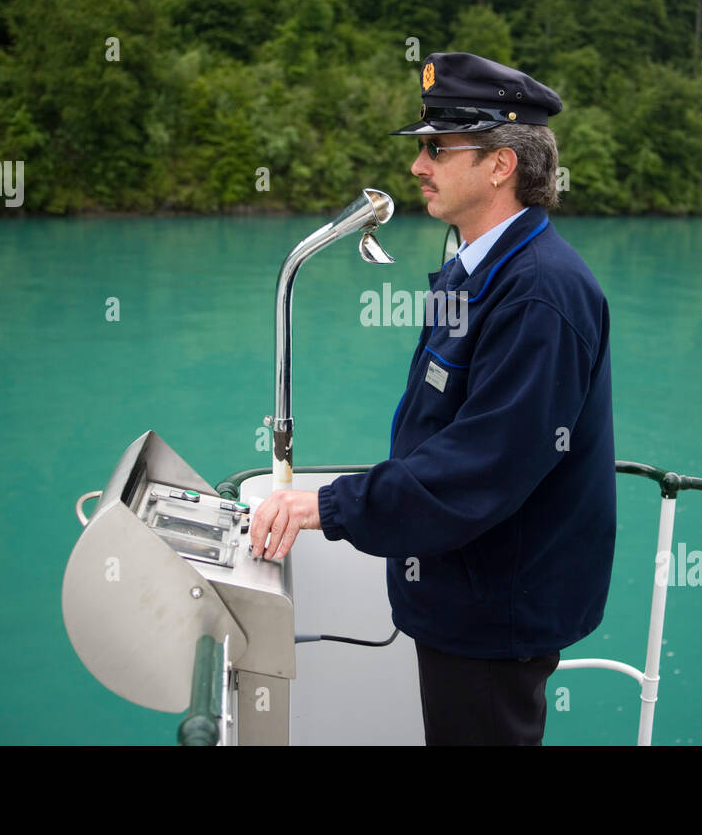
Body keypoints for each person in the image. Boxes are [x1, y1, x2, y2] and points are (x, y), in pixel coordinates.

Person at [250, 52, 616, 745]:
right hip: (461, 590)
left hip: (496, 609)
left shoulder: (540, 293)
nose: (418, 166)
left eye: (437, 149)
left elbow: (484, 464)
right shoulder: (476, 266)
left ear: (502, 164)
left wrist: (328, 505)